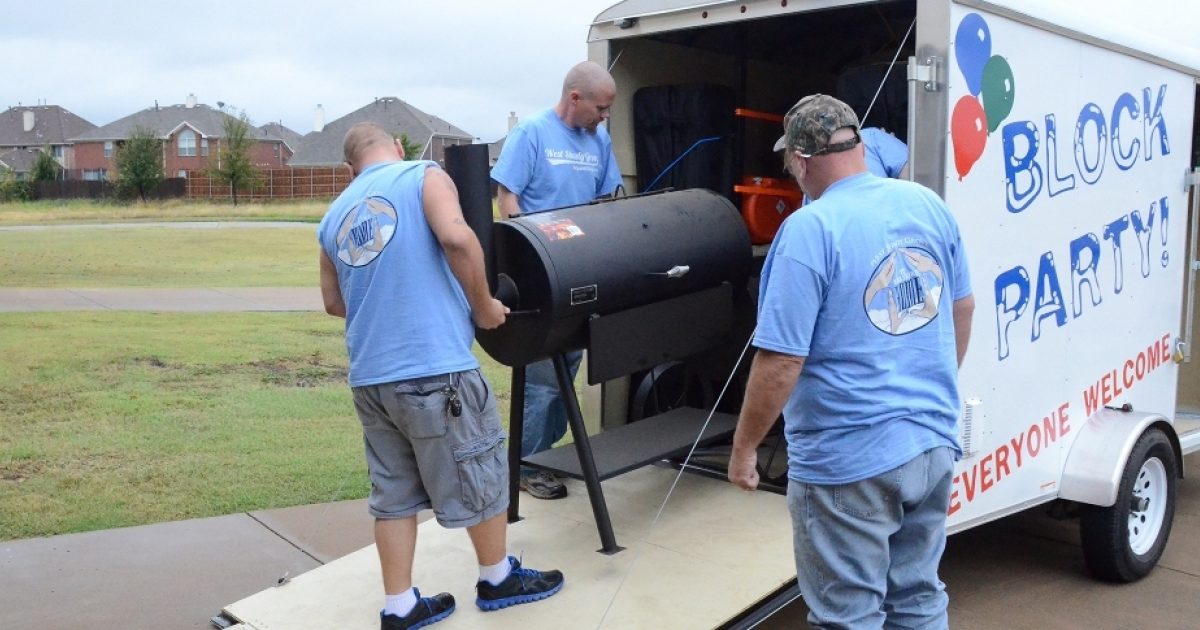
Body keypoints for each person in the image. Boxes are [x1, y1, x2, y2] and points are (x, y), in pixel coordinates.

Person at [729, 95, 975, 629]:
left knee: (848, 615)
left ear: (800, 158)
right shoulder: (926, 204)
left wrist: (745, 448)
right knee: (918, 597)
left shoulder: (808, 228)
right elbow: (963, 304)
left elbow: (780, 362)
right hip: (932, 443)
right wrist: (933, 388)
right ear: (859, 144)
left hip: (848, 461)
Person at [319, 122, 564, 630]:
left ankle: (399, 606)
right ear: (397, 148)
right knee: (482, 469)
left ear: (351, 168)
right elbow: (456, 238)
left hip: (370, 377)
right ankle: (498, 578)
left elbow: (333, 302)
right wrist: (481, 306)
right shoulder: (422, 175)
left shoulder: (334, 214)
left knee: (393, 493)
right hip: (436, 369)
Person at [490, 60, 623, 500]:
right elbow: (506, 197)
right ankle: (526, 464)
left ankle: (545, 457)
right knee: (543, 382)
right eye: (601, 107)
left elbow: (606, 200)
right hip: (541, 276)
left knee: (567, 374)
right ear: (575, 98)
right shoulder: (531, 133)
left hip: (580, 274)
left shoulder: (598, 140)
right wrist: (530, 257)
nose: (605, 117)